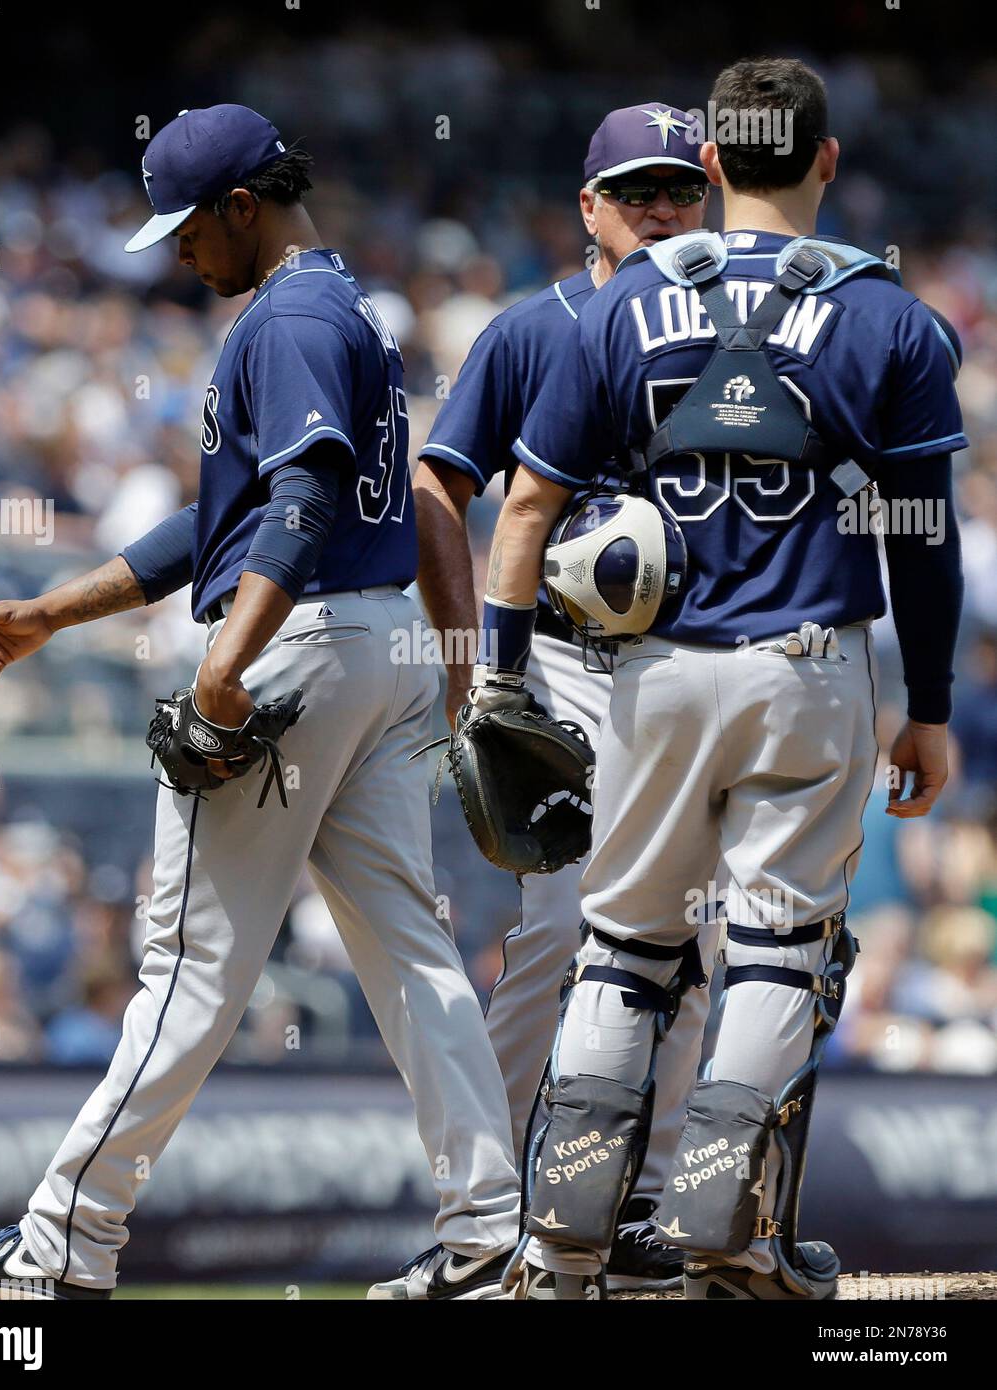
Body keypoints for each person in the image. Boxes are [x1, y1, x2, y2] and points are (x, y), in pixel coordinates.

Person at [0, 104, 521, 1302]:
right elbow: (220, 521)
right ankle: (488, 1230)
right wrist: (51, 613)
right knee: (408, 947)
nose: (176, 254)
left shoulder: (287, 313)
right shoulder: (342, 304)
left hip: (300, 647)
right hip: (380, 644)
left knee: (189, 962)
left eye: (187, 228)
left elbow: (297, 499)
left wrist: (225, 664)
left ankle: (60, 1247)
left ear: (243, 205)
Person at [469, 58, 966, 1299]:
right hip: (804, 669)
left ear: (708, 171)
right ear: (826, 162)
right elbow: (922, 536)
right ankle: (725, 1236)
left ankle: (563, 1241)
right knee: (775, 950)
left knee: (624, 948)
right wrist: (934, 709)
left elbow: (524, 507)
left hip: (649, 678)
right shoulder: (889, 316)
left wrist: (500, 680)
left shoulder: (622, 303)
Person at [410, 103, 717, 1293]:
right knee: (553, 937)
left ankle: (640, 1205)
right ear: (586, 204)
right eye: (634, 189)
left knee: (688, 937)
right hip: (570, 660)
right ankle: (479, 1217)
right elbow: (443, 483)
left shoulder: (740, 331)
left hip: (696, 666)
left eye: (680, 190)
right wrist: (480, 662)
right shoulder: (533, 328)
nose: (658, 209)